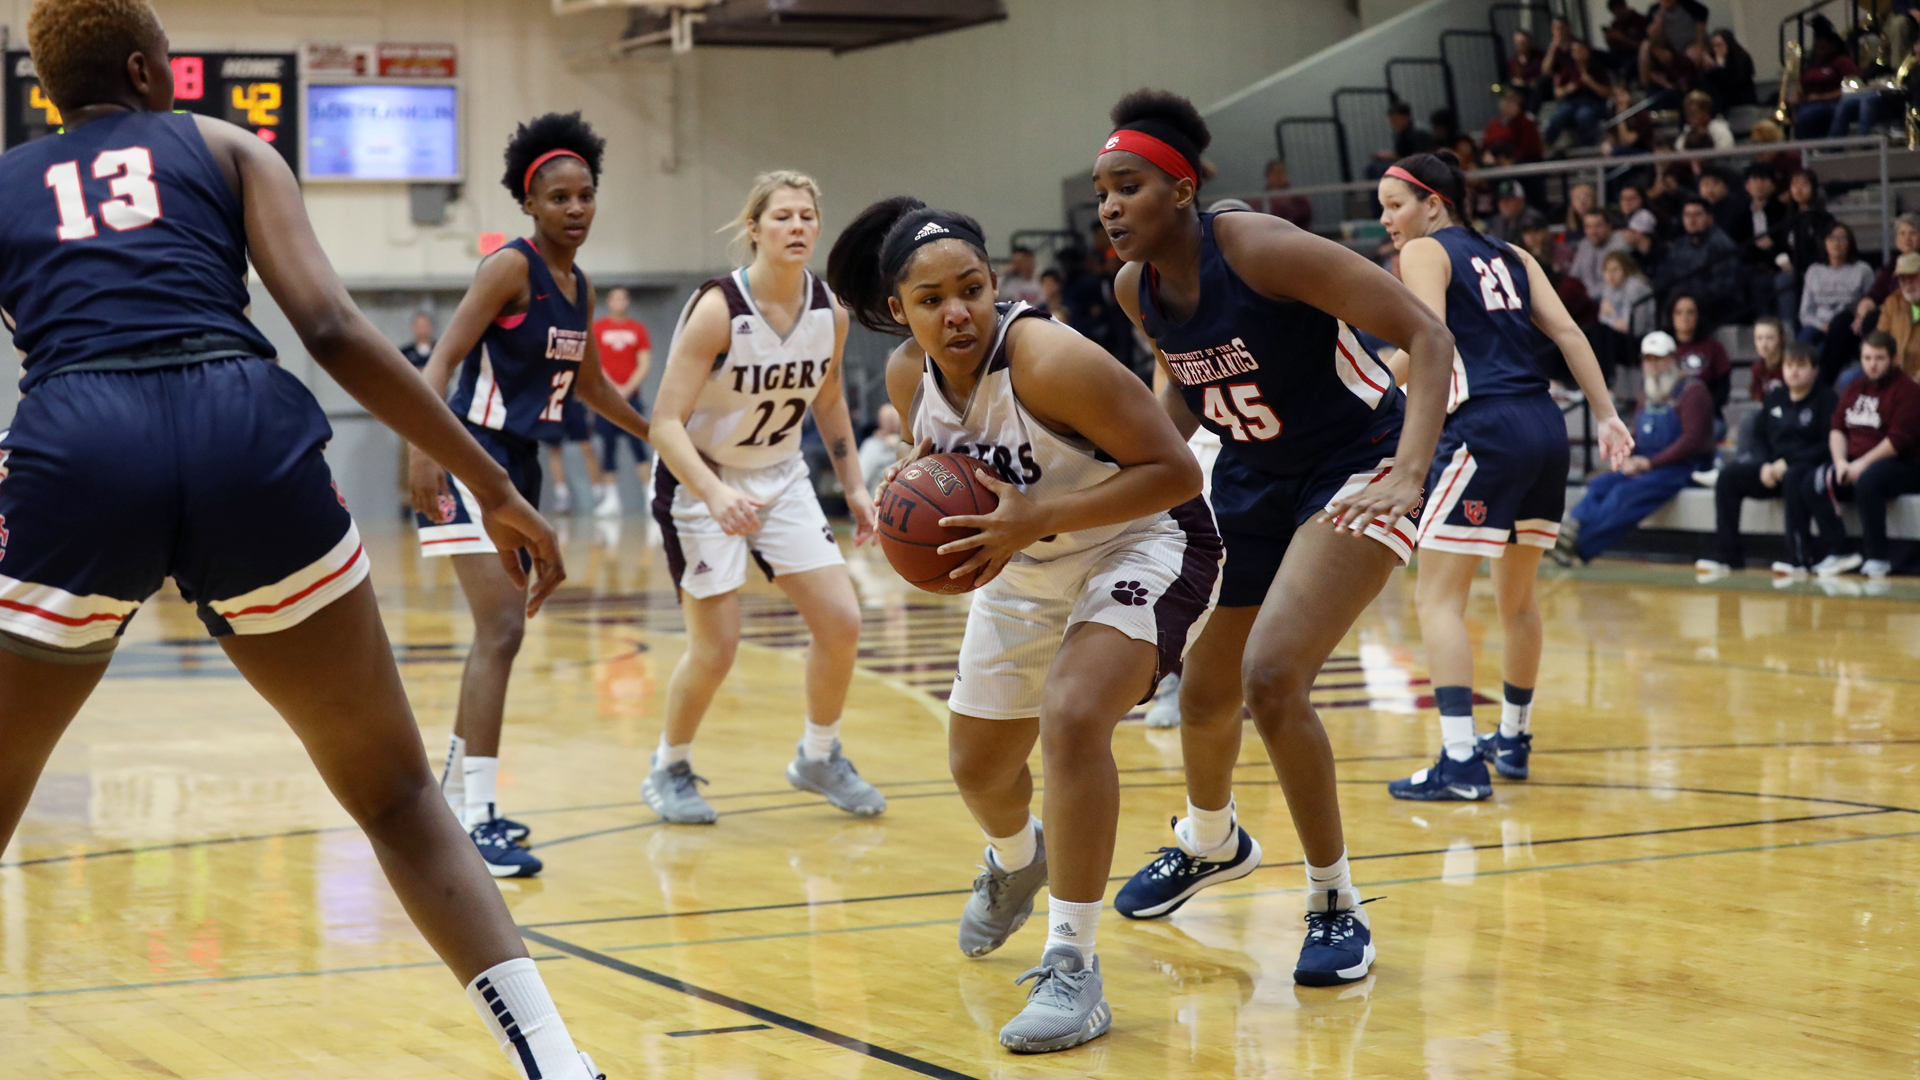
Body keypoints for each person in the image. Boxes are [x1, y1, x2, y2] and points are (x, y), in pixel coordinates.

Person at [0, 4, 600, 1078]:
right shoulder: (226, 147)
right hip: (244, 430)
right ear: (150, 69)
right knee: (397, 796)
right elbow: (329, 328)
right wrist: (489, 482)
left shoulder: (5, 182)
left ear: (49, 93)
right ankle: (559, 1064)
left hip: (77, 443)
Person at [830, 192, 1216, 1054]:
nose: (957, 311)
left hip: (1144, 541)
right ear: (900, 312)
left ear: (994, 282)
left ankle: (1073, 967)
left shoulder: (1047, 358)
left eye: (971, 288)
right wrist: (920, 506)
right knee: (977, 768)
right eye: (932, 300)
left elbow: (1177, 472)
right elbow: (943, 472)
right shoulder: (906, 379)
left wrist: (1036, 517)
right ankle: (1016, 859)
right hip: (1027, 557)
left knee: (1075, 717)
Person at [1092, 93, 1454, 993]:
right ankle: (1212, 842)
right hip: (1253, 475)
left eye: (1126, 186)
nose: (1107, 206)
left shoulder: (1253, 246)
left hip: (1356, 458)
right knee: (1204, 689)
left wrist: (1411, 471)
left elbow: (1427, 333)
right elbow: (1183, 392)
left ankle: (1335, 901)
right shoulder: (1137, 289)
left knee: (1272, 677)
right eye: (1100, 191)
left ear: (1180, 191)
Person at [411, 112, 652, 879]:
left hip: (520, 466)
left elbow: (593, 387)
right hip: (465, 454)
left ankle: (461, 801)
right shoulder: (507, 269)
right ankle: (472, 815)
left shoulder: (578, 289)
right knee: (502, 630)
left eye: (585, 195)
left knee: (504, 633)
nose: (575, 208)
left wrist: (659, 436)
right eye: (558, 197)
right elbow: (440, 360)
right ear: (528, 202)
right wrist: (421, 451)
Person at [1374, 152, 1632, 800]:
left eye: (1395, 205)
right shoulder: (1513, 254)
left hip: (1485, 430)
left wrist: (1364, 385)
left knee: (1437, 599)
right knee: (1517, 599)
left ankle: (1460, 759)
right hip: (1545, 429)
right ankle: (1512, 737)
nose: (1387, 220)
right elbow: (1571, 333)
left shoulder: (1427, 254)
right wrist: (1606, 415)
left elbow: (1427, 341)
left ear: (1435, 203)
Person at [640, 171, 883, 827]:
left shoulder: (830, 310)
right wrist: (715, 493)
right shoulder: (719, 307)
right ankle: (669, 766)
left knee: (841, 620)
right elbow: (664, 423)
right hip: (702, 480)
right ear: (754, 229)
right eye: (782, 217)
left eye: (807, 215)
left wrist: (856, 486)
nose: (798, 226)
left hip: (781, 475)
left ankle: (819, 755)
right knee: (716, 647)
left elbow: (828, 399)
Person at [1552, 331, 1715, 563]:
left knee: (1623, 495)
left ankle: (1580, 546)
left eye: (1658, 359)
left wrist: (1650, 463)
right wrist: (1628, 458)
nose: (1653, 365)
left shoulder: (1692, 391)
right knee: (1600, 483)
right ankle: (1571, 528)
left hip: (1682, 467)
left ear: (1672, 359)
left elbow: (1691, 440)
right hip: (1647, 464)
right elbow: (1636, 434)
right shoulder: (1647, 394)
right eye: (1648, 359)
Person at [1698, 344, 1837, 573]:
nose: (1793, 372)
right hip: (1772, 470)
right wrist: (1763, 464)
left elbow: (1826, 446)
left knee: (1794, 476)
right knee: (1728, 478)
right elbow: (1759, 437)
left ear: (1814, 371)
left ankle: (1800, 558)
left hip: (1805, 468)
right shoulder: (1775, 397)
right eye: (1789, 366)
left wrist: (1788, 462)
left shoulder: (1826, 399)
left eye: (1801, 366)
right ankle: (1727, 554)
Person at [1799, 332, 1920, 578]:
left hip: (1903, 464)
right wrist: (1841, 463)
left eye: (1879, 358)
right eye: (1867, 358)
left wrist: (1861, 465)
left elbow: (1897, 441)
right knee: (1814, 481)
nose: (1872, 364)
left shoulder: (1908, 390)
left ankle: (1878, 557)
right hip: (1856, 461)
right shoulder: (1853, 388)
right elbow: (1837, 429)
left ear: (1893, 359)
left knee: (1868, 481)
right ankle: (1840, 551)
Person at [590, 285, 653, 516]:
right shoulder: (598, 328)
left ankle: (649, 497)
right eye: (615, 298)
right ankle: (611, 500)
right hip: (606, 400)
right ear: (609, 301)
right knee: (607, 447)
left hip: (632, 398)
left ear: (627, 302)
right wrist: (612, 388)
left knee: (639, 447)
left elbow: (644, 362)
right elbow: (594, 362)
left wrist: (627, 388)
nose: (619, 302)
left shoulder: (638, 329)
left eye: (623, 298)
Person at [1800, 222, 1874, 377]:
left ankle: (1824, 381)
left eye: (1842, 239)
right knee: (1804, 339)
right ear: (1825, 243)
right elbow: (1805, 312)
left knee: (1839, 327)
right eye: (1832, 238)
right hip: (1818, 324)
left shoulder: (1863, 270)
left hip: (1847, 326)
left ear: (1850, 243)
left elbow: (1870, 303)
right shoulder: (1814, 271)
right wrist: (1821, 325)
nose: (1836, 243)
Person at [1654, 202, 1741, 327]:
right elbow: (1667, 274)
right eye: (1687, 215)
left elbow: (1724, 285)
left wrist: (1690, 296)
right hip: (1681, 298)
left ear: (1710, 218)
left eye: (1697, 215)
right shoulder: (1680, 244)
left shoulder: (1721, 244)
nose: (1691, 220)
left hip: (1713, 305)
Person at [1851, 212, 1920, 336]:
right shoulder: (1892, 265)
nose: (1907, 239)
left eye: (1913, 233)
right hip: (1890, 312)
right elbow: (1875, 293)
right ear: (1897, 240)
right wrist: (1861, 314)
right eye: (1902, 234)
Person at [1667, 292, 1733, 412]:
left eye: (1690, 312)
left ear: (1698, 315)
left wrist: (1705, 408)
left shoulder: (1714, 347)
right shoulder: (1663, 346)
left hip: (1706, 413)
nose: (1684, 318)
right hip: (1669, 413)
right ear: (1671, 316)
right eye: (1679, 312)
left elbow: (1723, 388)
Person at [1594, 251, 1656, 378]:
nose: (1610, 275)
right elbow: (1601, 318)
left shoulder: (1636, 287)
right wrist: (1614, 320)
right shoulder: (1609, 288)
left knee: (1601, 335)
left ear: (1626, 269)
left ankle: (1605, 380)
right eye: (1606, 270)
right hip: (1621, 337)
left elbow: (1632, 327)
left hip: (1641, 341)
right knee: (1596, 333)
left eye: (1615, 270)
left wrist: (1611, 315)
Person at [1543, 40, 1612, 148]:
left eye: (1581, 50)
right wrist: (1567, 90)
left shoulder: (1597, 69)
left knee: (1583, 115)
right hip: (1572, 101)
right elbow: (1558, 93)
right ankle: (1547, 144)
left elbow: (1607, 92)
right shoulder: (1568, 70)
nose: (1578, 53)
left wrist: (1590, 83)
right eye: (1575, 50)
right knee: (1559, 115)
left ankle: (1589, 146)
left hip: (1593, 101)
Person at [1791, 33, 1858, 137]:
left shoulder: (1842, 62)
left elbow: (1851, 88)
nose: (1819, 49)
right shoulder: (1812, 64)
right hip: (1808, 102)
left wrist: (1820, 97)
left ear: (1832, 45)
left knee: (1806, 115)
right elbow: (1802, 85)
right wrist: (1796, 97)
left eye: (1822, 45)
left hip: (1832, 103)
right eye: (1817, 45)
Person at [1874, 252, 1920, 377]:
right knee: (1847, 378)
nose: (1906, 283)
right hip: (1895, 376)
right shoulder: (1892, 303)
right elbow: (1880, 341)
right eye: (1901, 278)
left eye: (1911, 276)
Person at [1569, 209, 1633, 298]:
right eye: (1588, 227)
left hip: (1612, 299)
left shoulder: (1620, 244)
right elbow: (1574, 276)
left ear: (1609, 225)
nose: (1593, 231)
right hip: (1585, 300)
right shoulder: (1584, 244)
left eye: (1597, 226)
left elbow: (1618, 283)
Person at [1702, 28, 1758, 109]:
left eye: (1719, 45)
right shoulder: (1711, 62)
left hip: (1741, 101)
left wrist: (1721, 66)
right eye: (1714, 46)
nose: (1717, 49)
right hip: (1722, 104)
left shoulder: (1741, 58)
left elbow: (1735, 82)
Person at [857, 402, 903, 494]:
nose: (891, 423)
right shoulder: (872, 445)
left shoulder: (910, 444)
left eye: (893, 418)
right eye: (888, 419)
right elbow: (861, 478)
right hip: (877, 499)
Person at [1483, 90, 1542, 161]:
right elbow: (1486, 145)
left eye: (1512, 101)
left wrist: (1510, 159)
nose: (1507, 105)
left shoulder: (1527, 124)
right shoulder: (1493, 123)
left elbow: (1530, 150)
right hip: (1493, 164)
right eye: (1505, 100)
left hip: (1519, 165)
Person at [1255, 158, 1314, 228]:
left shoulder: (1297, 196)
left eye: (1282, 172)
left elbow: (1305, 216)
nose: (1279, 176)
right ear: (1267, 175)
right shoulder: (1261, 199)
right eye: (1275, 172)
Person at [1604, 0, 1651, 75]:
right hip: (1619, 54)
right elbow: (1613, 49)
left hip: (1636, 54)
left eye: (1618, 12)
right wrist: (1609, 39)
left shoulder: (1641, 21)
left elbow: (1644, 46)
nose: (1617, 16)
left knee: (1629, 64)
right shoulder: (1615, 24)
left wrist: (1623, 38)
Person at [1749, 315, 1788, 400]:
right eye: (1759, 338)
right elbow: (1761, 401)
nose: (1763, 345)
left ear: (1781, 339)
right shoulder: (1757, 368)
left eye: (1770, 338)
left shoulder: (1790, 364)